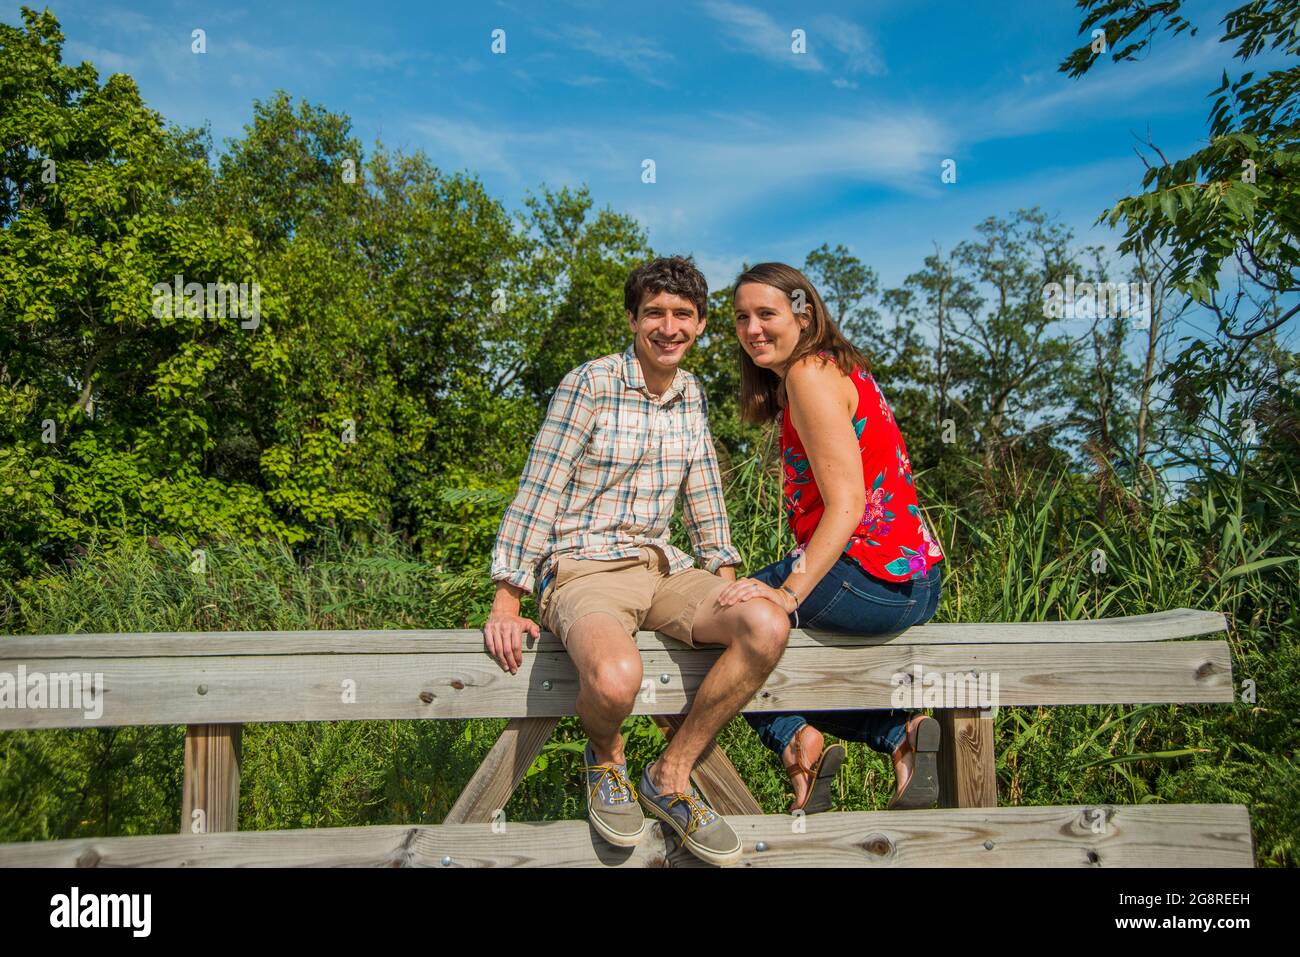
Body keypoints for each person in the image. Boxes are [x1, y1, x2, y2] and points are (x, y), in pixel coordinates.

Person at [483, 255, 790, 866]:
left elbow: (704, 491)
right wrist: (507, 597)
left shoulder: (692, 394)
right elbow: (539, 487)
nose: (668, 327)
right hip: (582, 567)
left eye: (683, 315)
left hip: (662, 568)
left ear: (701, 324)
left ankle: (670, 776)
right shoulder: (590, 384)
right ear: (632, 318)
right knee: (616, 677)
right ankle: (607, 760)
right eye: (654, 313)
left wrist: (723, 581)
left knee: (764, 622)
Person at [716, 262, 946, 814]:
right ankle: (902, 738)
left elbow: (846, 505)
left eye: (766, 314)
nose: (752, 330)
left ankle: (796, 736)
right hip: (916, 582)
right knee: (760, 631)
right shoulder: (840, 369)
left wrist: (788, 594)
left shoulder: (807, 376)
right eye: (742, 318)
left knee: (716, 619)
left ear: (803, 313)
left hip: (866, 580)